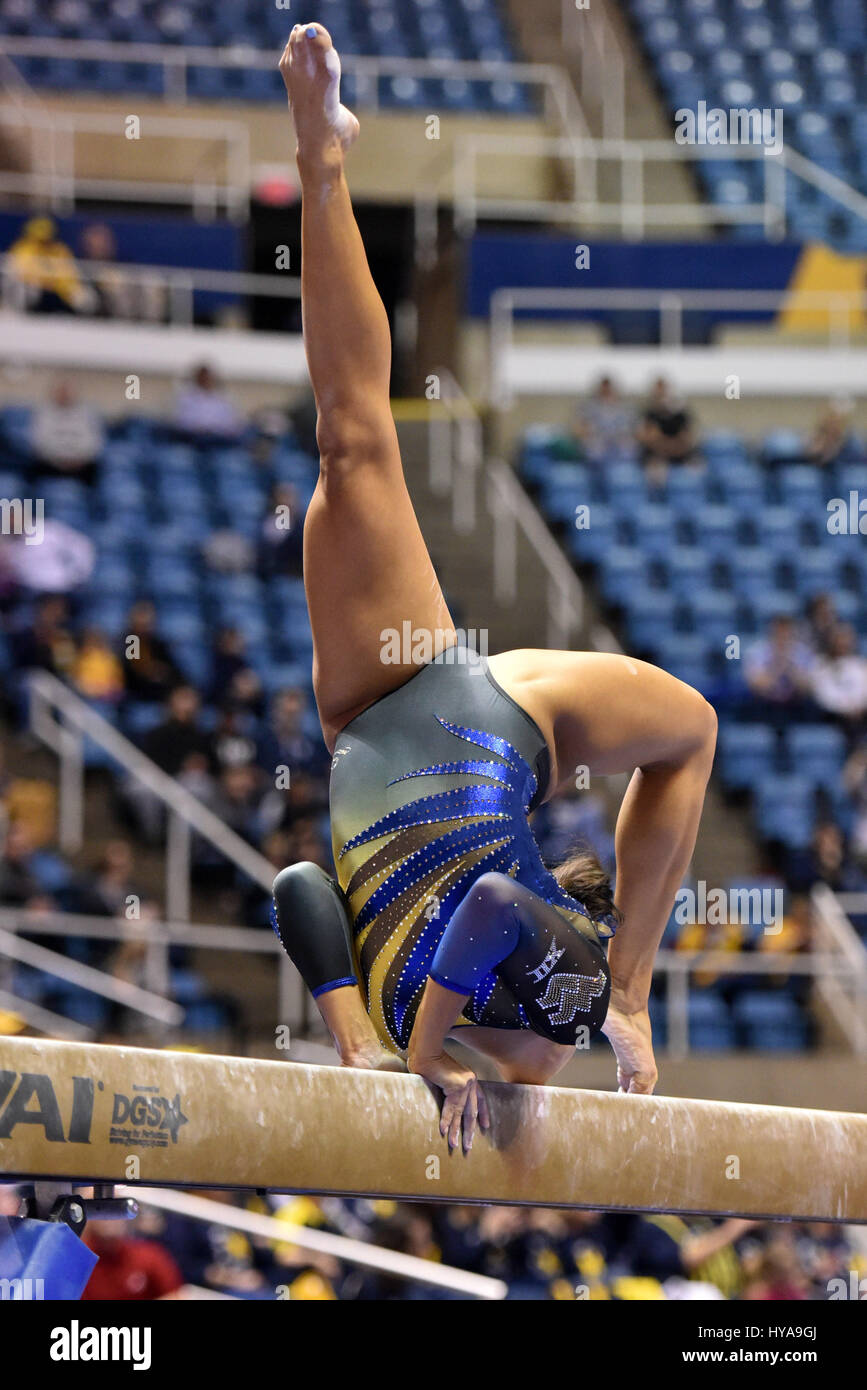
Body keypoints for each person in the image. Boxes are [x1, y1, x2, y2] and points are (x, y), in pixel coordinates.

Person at [266, 25, 717, 1152]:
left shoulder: (443, 1029)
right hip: (485, 716)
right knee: (693, 728)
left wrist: (360, 1046)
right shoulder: (558, 1001)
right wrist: (609, 997)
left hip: (378, 711)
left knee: (346, 449)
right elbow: (488, 909)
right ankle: (324, 161)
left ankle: (325, 163)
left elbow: (299, 890)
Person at [30, 379, 104, 485]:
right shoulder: (43, 414)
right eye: (61, 392)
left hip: (82, 466)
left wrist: (77, 459)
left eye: (68, 392)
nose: (65, 395)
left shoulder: (87, 415)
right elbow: (39, 442)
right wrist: (60, 460)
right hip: (50, 465)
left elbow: (93, 443)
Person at [5, 217, 82, 314]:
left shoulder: (59, 250)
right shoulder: (24, 249)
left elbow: (68, 276)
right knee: (29, 290)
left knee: (81, 297)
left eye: (46, 238)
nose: (44, 242)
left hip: (58, 294)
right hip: (35, 292)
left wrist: (58, 286)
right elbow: (23, 273)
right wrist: (44, 282)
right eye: (40, 239)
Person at [636, 376, 698, 481]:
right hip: (656, 456)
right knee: (655, 475)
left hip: (680, 453)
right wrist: (664, 447)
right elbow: (647, 438)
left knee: (696, 471)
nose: (661, 394)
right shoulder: (649, 414)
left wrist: (674, 447)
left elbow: (688, 437)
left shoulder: (681, 415)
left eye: (663, 390)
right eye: (658, 391)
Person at [575, 375, 636, 464]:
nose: (606, 391)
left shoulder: (625, 409)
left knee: (627, 451)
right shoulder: (588, 407)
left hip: (619, 446)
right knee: (594, 453)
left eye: (609, 389)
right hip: (596, 446)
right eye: (604, 389)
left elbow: (632, 430)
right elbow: (580, 429)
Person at [174, 362, 244, 440]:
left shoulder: (223, 398)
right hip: (193, 439)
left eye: (208, 377)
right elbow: (182, 422)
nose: (206, 379)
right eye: (203, 377)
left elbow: (231, 423)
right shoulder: (186, 397)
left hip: (219, 439)